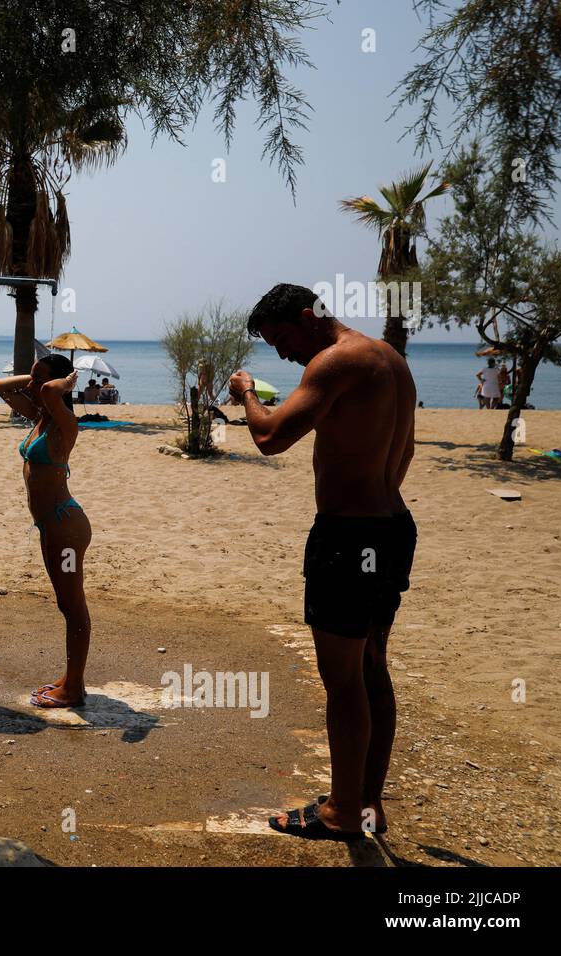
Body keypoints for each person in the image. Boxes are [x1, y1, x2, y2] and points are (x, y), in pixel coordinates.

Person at [229, 283, 416, 840]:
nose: (282, 353)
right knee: (371, 668)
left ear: (310, 317)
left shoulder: (334, 363)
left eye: (282, 338)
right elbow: (402, 451)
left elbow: (268, 436)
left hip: (348, 536)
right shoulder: (390, 359)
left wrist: (245, 391)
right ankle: (368, 806)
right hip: (391, 528)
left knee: (342, 679)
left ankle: (340, 811)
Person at [0, 354, 91, 708]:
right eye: (32, 380)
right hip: (51, 526)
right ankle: (71, 679)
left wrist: (64, 383)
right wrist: (35, 377)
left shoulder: (65, 422)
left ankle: (74, 688)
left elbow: (50, 390)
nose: (32, 387)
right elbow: (0, 386)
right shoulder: (41, 418)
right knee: (67, 604)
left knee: (72, 605)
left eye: (39, 381)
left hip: (66, 529)